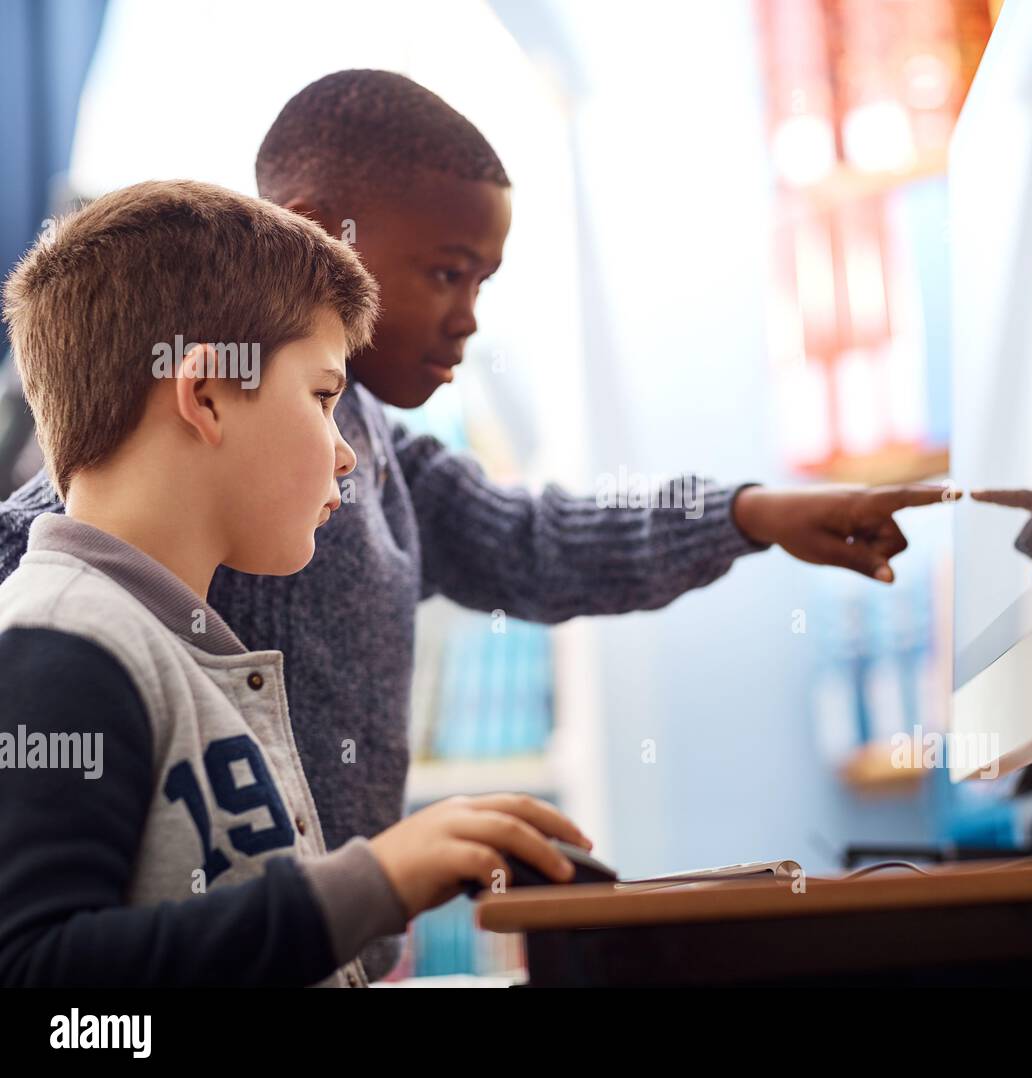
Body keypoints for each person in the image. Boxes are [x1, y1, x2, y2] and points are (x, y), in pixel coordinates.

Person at [0, 70, 949, 978]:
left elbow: (530, 541)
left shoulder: (373, 452)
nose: (468, 320)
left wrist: (746, 516)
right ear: (323, 234)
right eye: (450, 274)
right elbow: (69, 537)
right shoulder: (120, 558)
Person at [0, 180, 591, 986]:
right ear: (204, 394)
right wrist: (367, 885)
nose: (345, 454)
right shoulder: (63, 647)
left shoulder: (178, 650)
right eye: (322, 398)